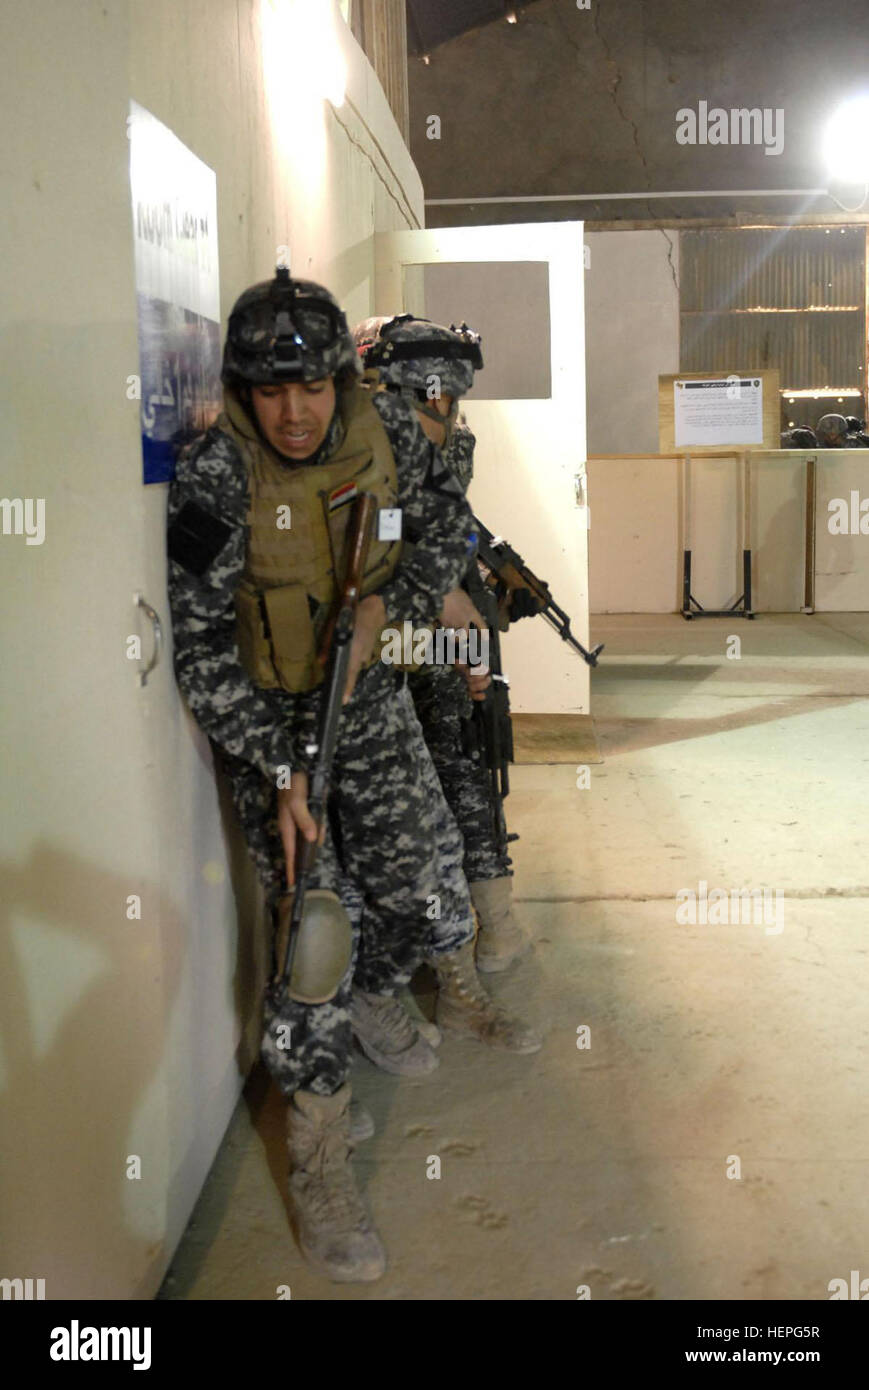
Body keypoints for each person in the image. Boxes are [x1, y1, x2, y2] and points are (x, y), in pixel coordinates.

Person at [166, 269, 479, 1283]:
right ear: (243, 388)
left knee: (411, 884)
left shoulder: (387, 422)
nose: (294, 412)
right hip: (279, 724)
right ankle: (320, 1158)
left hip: (376, 695)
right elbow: (202, 648)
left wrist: (410, 607)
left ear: (343, 375)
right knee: (314, 937)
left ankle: (388, 995)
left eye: (310, 388)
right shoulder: (216, 479)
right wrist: (275, 763)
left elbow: (443, 504)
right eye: (270, 391)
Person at [352, 313, 543, 1060]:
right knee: (367, 856)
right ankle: (377, 999)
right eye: (427, 398)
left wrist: (464, 606)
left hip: (404, 656)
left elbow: (440, 529)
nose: (442, 414)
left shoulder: (439, 445)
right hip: (355, 670)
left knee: (452, 793)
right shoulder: (345, 451)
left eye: (449, 401)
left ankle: (472, 952)